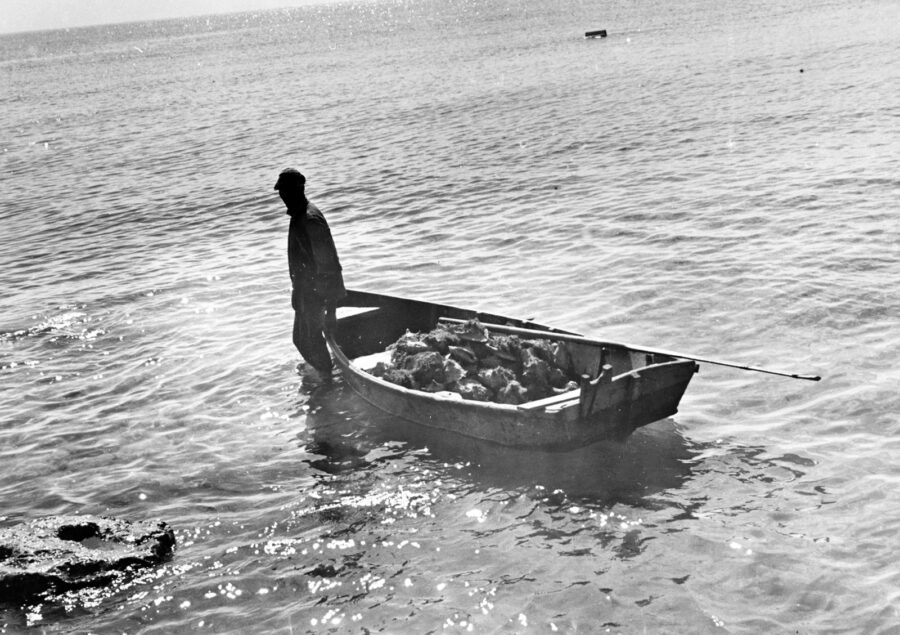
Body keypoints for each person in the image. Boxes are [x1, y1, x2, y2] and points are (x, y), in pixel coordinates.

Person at [274, 168, 346, 379]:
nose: (283, 196)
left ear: (299, 189)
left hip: (317, 294)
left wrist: (331, 310)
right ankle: (326, 375)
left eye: (287, 191)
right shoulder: (298, 216)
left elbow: (330, 266)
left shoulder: (310, 220)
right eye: (281, 192)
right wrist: (297, 292)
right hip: (305, 292)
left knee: (311, 340)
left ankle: (328, 381)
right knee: (300, 339)